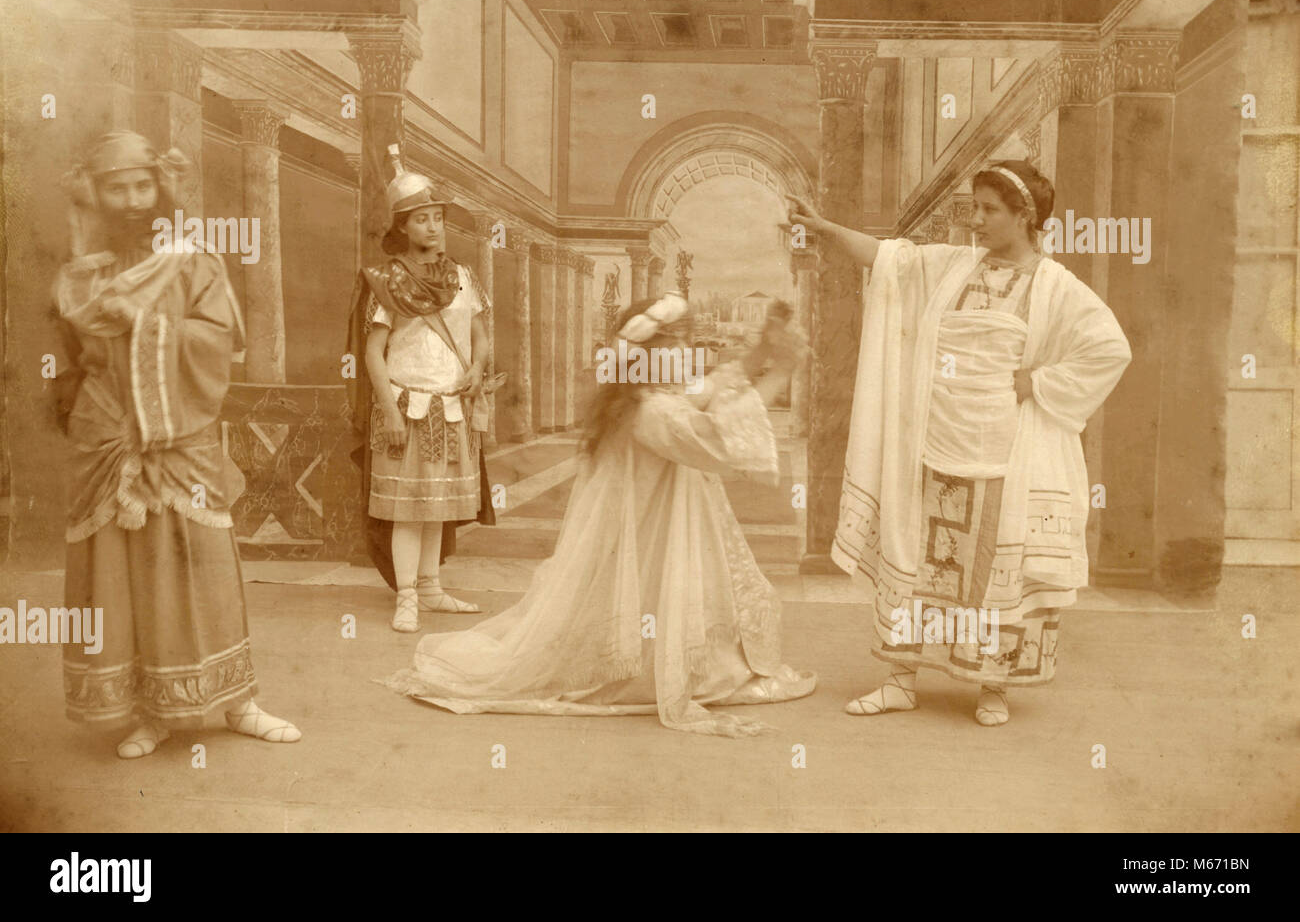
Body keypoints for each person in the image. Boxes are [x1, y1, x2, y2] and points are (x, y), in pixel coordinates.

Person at [787, 159, 1131, 726]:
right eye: (974, 208)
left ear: (1025, 217)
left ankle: (991, 685)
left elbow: (1109, 348)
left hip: (1004, 456)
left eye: (989, 210)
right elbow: (886, 258)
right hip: (931, 445)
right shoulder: (951, 267)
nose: (976, 221)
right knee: (919, 558)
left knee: (992, 568)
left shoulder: (1056, 287)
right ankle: (900, 680)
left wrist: (1038, 383)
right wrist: (822, 227)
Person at [386, 293, 817, 737]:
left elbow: (711, 390)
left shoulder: (644, 396)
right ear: (654, 353)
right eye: (682, 342)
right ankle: (645, 670)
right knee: (656, 617)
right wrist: (782, 370)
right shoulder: (652, 411)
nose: (692, 353)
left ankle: (650, 659)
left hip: (651, 534)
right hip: (653, 540)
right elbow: (718, 438)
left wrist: (764, 349)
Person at [53, 130, 299, 758]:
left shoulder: (194, 260)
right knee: (125, 571)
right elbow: (72, 359)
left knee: (203, 561)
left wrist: (144, 322)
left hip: (182, 436)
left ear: (160, 187)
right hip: (107, 437)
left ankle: (237, 700)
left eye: (142, 184)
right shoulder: (82, 275)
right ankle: (147, 709)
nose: (133, 199)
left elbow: (218, 342)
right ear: (97, 193)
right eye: (117, 187)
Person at [346, 145, 495, 632]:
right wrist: (388, 410)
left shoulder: (463, 277)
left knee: (437, 507)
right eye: (422, 219)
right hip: (406, 405)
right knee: (408, 510)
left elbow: (479, 335)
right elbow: (372, 353)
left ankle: (431, 589)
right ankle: (406, 596)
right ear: (403, 227)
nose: (433, 227)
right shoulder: (387, 279)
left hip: (452, 406)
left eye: (438, 218)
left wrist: (477, 368)